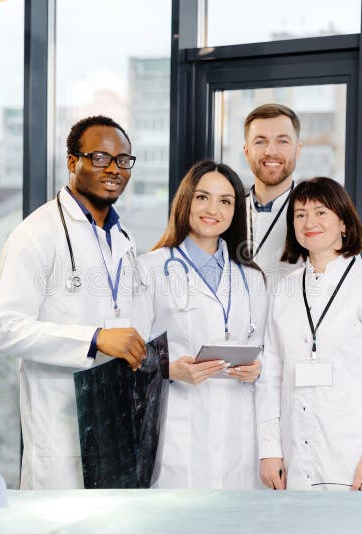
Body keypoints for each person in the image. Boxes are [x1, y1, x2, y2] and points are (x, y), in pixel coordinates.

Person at [0, 115, 147, 490]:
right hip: (59, 432)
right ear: (73, 162)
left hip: (114, 424)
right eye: (100, 158)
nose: (114, 169)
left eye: (123, 160)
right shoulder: (35, 234)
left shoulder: (123, 237)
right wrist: (94, 338)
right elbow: (5, 329)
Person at [256, 177, 362, 491]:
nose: (310, 222)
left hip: (351, 458)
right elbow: (271, 376)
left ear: (344, 223)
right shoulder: (285, 289)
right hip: (293, 456)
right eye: (300, 214)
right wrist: (269, 449)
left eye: (321, 212)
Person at [135, 160, 268, 489]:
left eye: (225, 201)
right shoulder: (150, 269)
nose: (213, 210)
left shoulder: (252, 278)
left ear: (236, 211)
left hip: (239, 436)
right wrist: (169, 369)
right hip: (178, 432)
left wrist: (256, 369)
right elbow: (129, 354)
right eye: (202, 197)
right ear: (186, 202)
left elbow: (265, 351)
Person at [243, 103, 303, 282]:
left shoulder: (317, 218)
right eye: (260, 141)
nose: (270, 151)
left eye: (282, 141)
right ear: (246, 152)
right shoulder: (225, 213)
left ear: (298, 150)